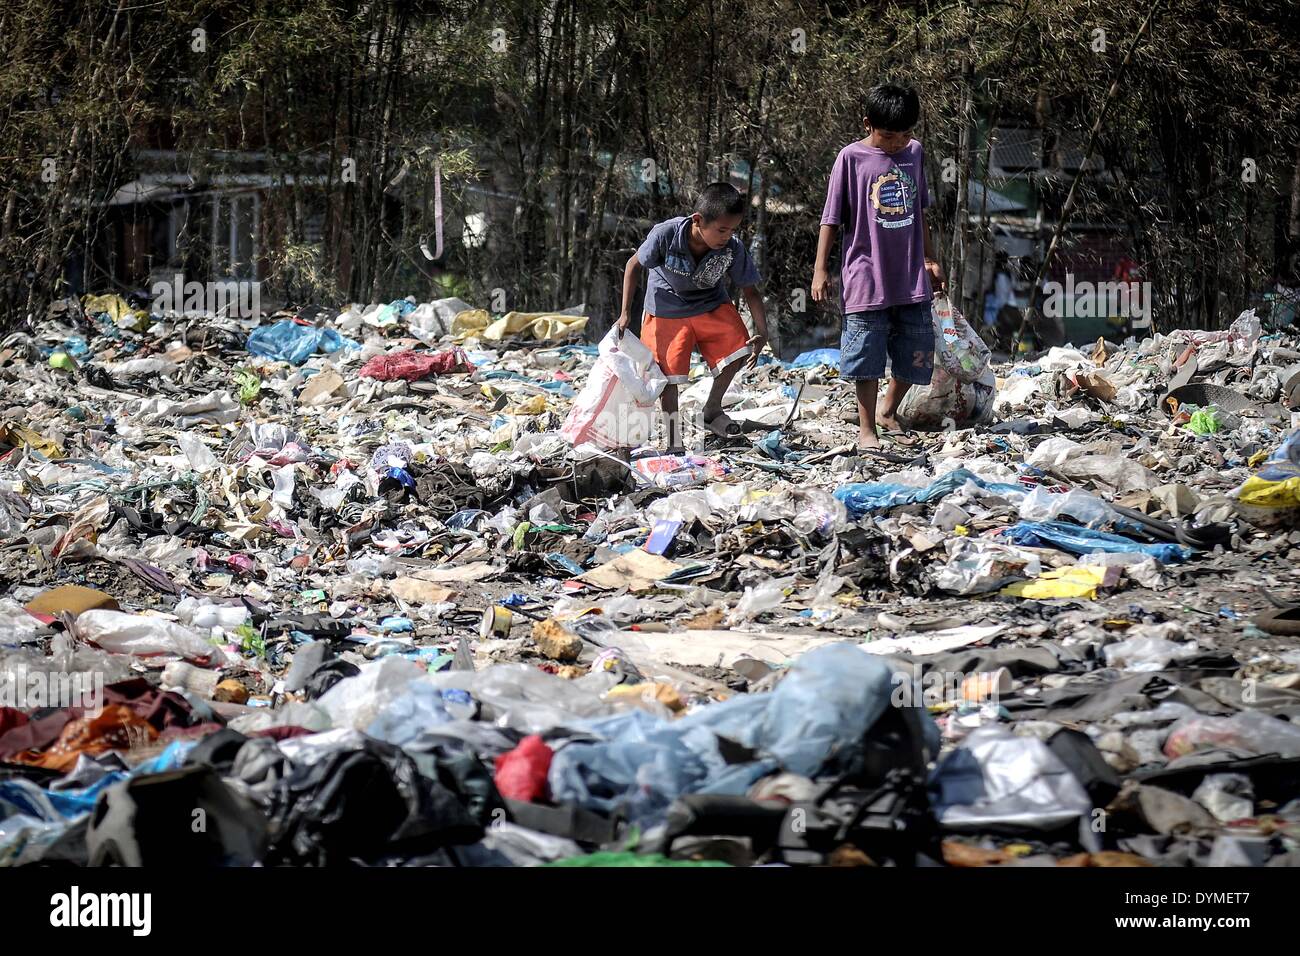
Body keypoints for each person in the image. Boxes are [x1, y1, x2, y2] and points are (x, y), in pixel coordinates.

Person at [812, 83, 943, 451]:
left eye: (905, 134)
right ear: (868, 123)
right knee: (866, 354)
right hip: (866, 274)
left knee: (917, 348)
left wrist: (930, 260)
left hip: (910, 273)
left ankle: (889, 409)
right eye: (888, 135)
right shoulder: (850, 159)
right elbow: (831, 218)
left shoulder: (914, 153)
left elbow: (921, 211)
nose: (897, 142)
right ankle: (867, 429)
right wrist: (820, 269)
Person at [617, 182, 769, 452]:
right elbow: (633, 266)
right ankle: (674, 440)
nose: (727, 236)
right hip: (666, 306)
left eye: (733, 229)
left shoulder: (732, 247)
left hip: (709, 302)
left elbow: (751, 291)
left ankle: (712, 409)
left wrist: (763, 331)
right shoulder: (666, 234)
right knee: (668, 375)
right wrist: (625, 313)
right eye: (722, 229)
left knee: (737, 347)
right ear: (698, 220)